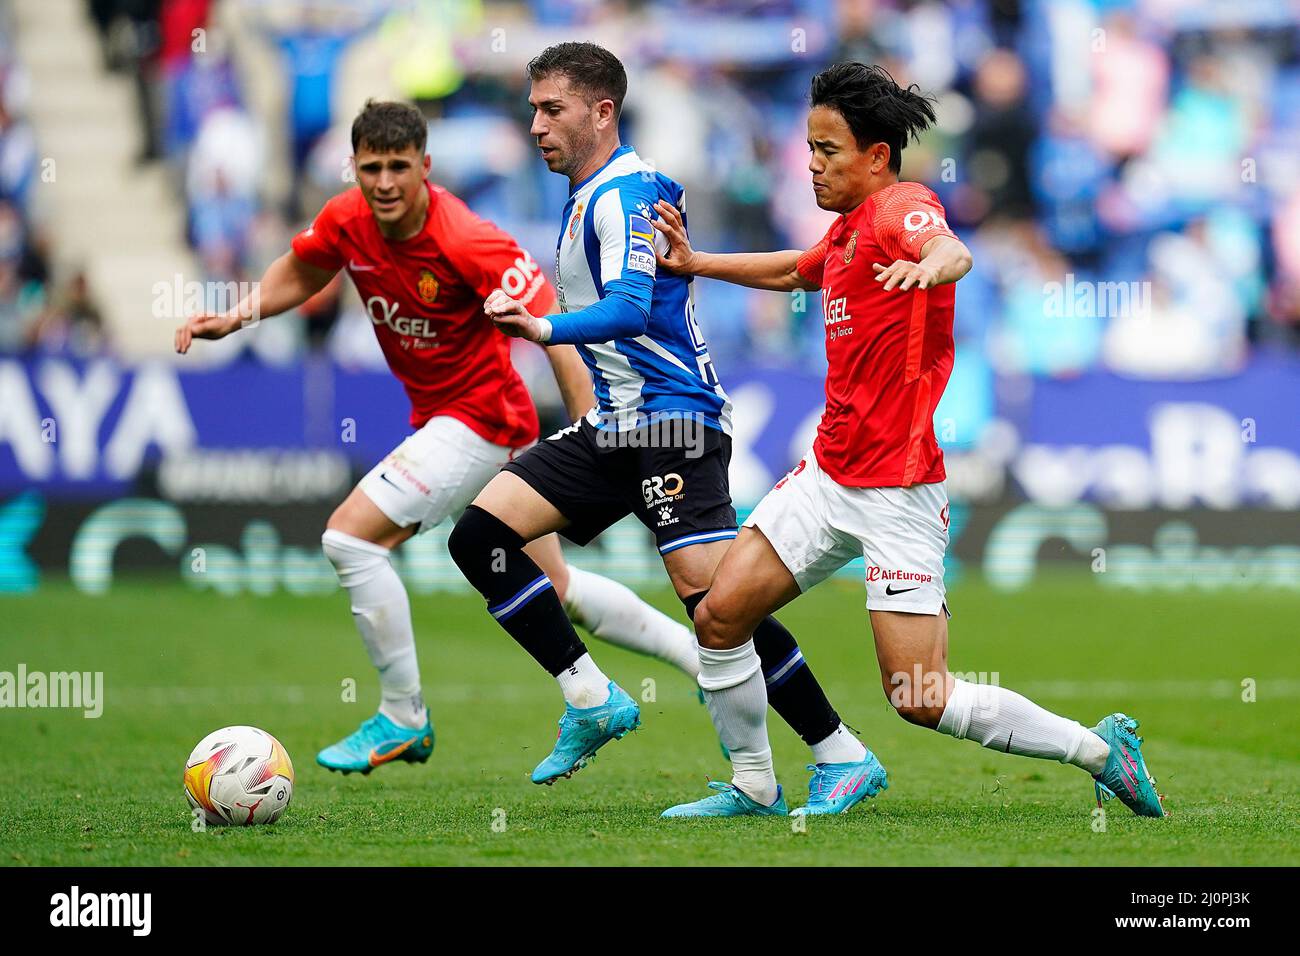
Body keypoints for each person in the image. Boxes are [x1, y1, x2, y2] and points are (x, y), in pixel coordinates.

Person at [652, 63, 1166, 819]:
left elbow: (954, 250)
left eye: (828, 149)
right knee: (721, 616)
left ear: (877, 158)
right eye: (809, 146)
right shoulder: (849, 231)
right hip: (829, 475)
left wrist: (932, 266)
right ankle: (755, 785)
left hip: (897, 489)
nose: (812, 162)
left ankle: (1098, 750)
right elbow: (800, 272)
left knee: (919, 697)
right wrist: (697, 264)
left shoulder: (903, 207)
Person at [174, 99, 703, 776]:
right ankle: (700, 663)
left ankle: (403, 715)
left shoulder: (467, 238)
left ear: (426, 166)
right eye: (372, 168)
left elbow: (557, 330)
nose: (386, 182)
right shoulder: (345, 220)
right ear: (355, 170)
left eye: (400, 167)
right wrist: (240, 313)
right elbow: (306, 267)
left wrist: (585, 434)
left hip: (482, 419)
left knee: (349, 539)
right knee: (558, 587)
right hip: (453, 420)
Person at [448, 43, 880, 813]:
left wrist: (541, 329)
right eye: (533, 109)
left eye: (553, 109)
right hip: (615, 426)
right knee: (479, 537)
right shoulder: (588, 195)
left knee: (720, 607)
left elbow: (628, 308)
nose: (536, 125)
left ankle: (832, 755)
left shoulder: (626, 193)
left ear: (601, 111)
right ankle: (590, 699)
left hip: (674, 422)